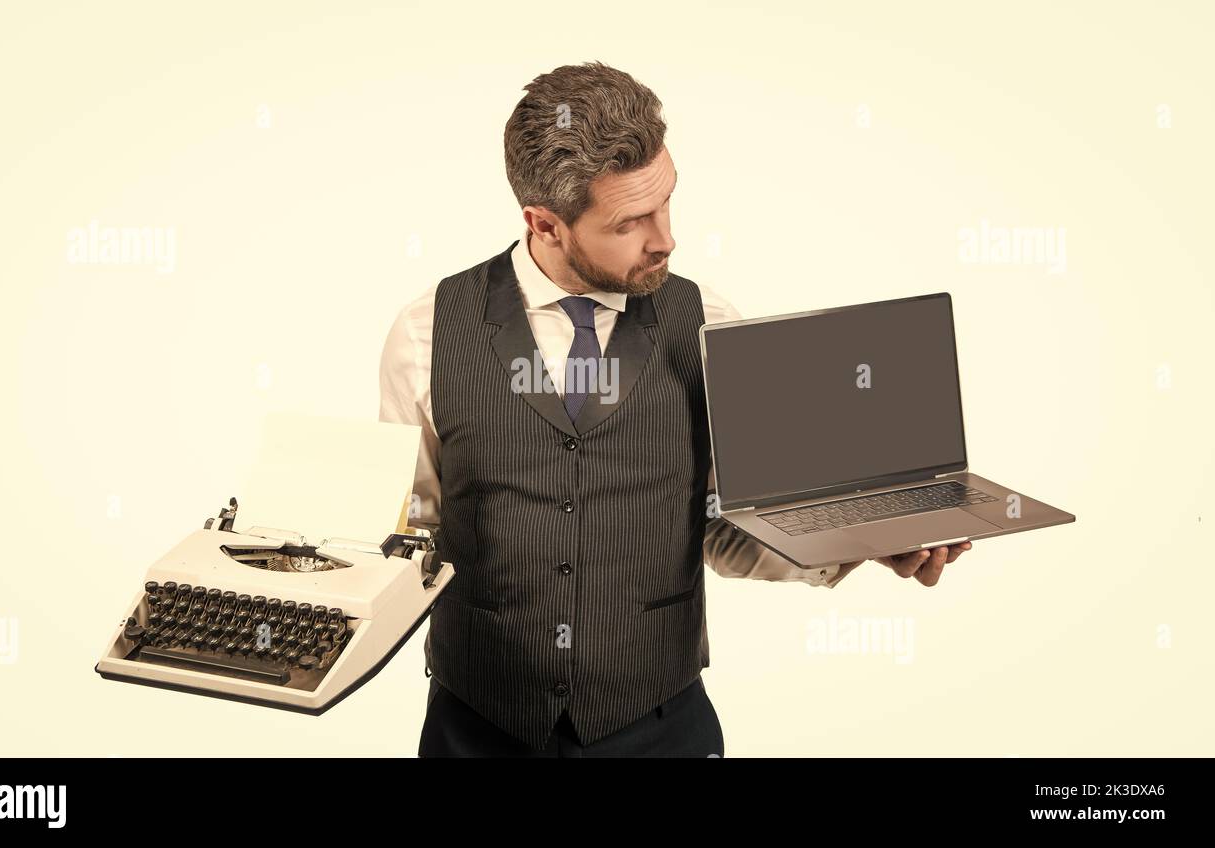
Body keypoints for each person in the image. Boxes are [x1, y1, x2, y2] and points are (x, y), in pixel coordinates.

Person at [379, 62, 971, 758]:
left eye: (666, 203)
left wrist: (864, 544)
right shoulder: (426, 333)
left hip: (661, 729)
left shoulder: (708, 326)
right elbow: (408, 539)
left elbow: (726, 530)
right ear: (546, 224)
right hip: (476, 729)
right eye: (631, 222)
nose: (665, 239)